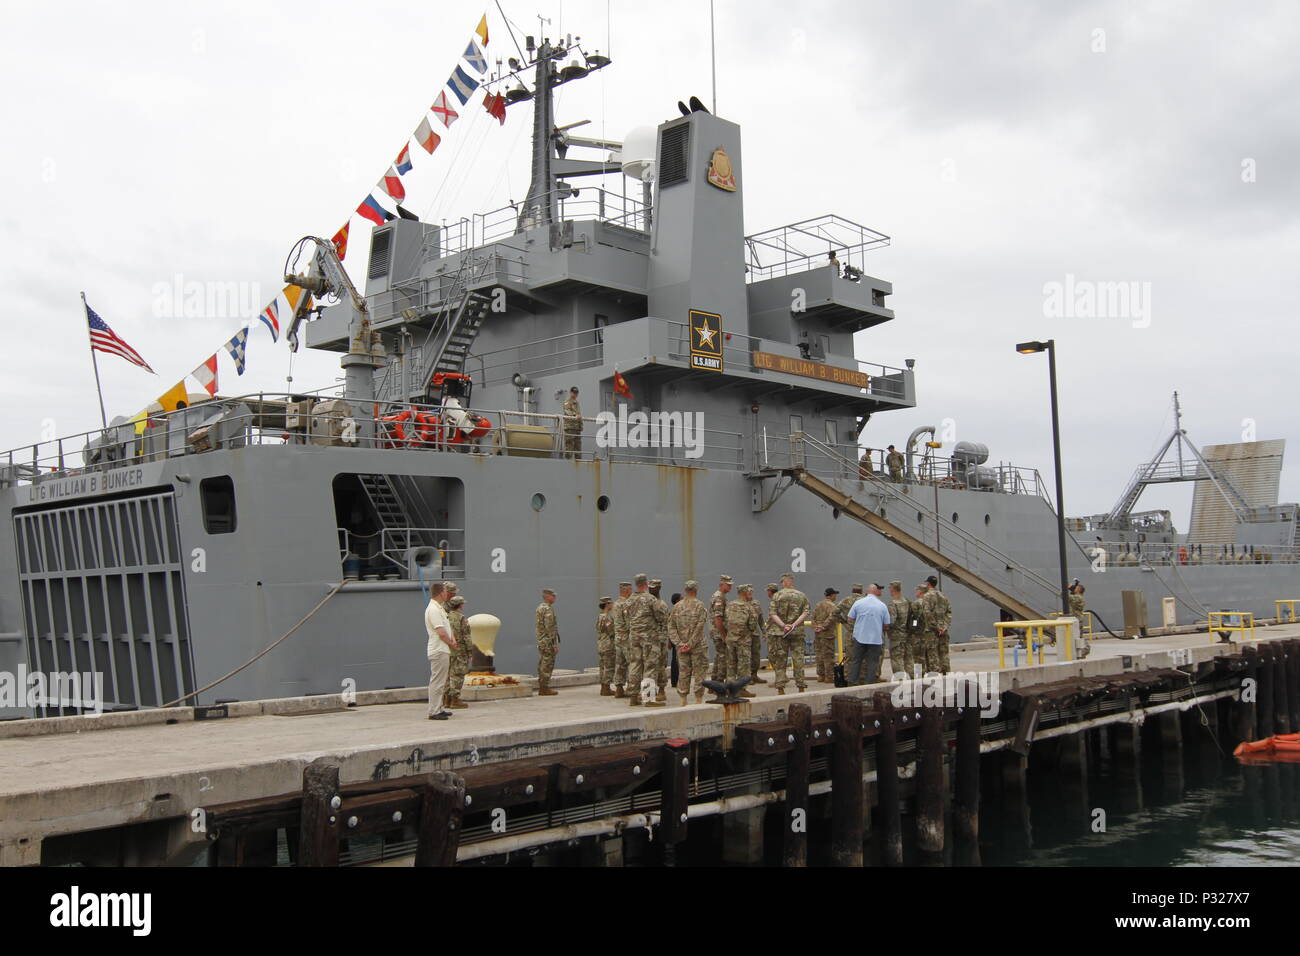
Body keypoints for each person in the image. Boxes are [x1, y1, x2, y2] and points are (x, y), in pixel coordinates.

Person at [625, 573, 667, 707]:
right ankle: (648, 698)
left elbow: (627, 619)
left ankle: (633, 696)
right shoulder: (651, 599)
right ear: (646, 583)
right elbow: (661, 617)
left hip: (634, 637)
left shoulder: (629, 600)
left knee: (635, 664)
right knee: (650, 666)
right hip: (649, 638)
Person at [769, 573, 810, 694]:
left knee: (780, 660)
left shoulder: (777, 596)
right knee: (798, 659)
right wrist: (794, 625)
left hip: (780, 632)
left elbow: (772, 613)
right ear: (792, 582)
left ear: (783, 583)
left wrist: (783, 625)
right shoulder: (801, 595)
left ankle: (780, 688)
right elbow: (806, 612)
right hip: (797, 632)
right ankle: (801, 686)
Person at [670, 581, 710, 704]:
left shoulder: (676, 607)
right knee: (699, 672)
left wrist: (679, 643)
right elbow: (700, 627)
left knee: (683, 672)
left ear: (685, 591)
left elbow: (671, 627)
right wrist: (690, 644)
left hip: (682, 647)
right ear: (696, 590)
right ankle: (698, 700)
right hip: (697, 646)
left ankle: (683, 700)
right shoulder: (700, 606)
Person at [846, 583, 891, 685]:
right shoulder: (882, 605)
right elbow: (887, 624)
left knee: (856, 660)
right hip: (875, 639)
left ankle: (853, 682)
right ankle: (869, 683)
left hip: (859, 637)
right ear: (876, 592)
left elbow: (850, 618)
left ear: (867, 591)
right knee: (873, 662)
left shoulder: (858, 603)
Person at [425, 581, 456, 720]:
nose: (447, 593)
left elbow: (447, 628)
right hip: (439, 649)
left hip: (442, 649)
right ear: (440, 593)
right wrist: (451, 644)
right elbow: (441, 632)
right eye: (445, 591)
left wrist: (452, 638)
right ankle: (434, 711)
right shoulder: (433, 609)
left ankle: (439, 707)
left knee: (441, 681)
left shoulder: (440, 608)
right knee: (437, 681)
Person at [724, 584, 761, 697]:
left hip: (730, 639)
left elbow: (725, 621)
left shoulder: (730, 605)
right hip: (743, 640)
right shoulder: (749, 607)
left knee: (731, 664)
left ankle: (729, 688)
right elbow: (752, 625)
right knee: (744, 665)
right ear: (745, 593)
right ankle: (741, 689)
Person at [920, 574, 953, 674]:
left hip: (932, 631)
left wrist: (937, 627)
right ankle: (947, 673)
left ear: (928, 584)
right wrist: (944, 627)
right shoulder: (943, 596)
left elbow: (927, 613)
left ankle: (935, 675)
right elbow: (949, 612)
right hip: (944, 630)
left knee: (932, 654)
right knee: (944, 653)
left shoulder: (927, 596)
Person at [445, 595, 471, 709]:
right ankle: (455, 700)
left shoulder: (446, 616)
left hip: (447, 648)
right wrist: (470, 651)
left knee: (448, 675)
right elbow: (466, 636)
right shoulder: (461, 618)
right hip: (460, 650)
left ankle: (446, 699)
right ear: (460, 605)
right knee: (458, 675)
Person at [649, 579, 672, 702]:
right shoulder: (647, 603)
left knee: (660, 665)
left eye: (653, 588)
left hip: (660, 640)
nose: (651, 590)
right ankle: (649, 693)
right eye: (650, 587)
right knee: (649, 666)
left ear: (658, 589)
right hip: (649, 640)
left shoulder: (661, 605)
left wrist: (668, 640)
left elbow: (665, 623)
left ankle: (661, 690)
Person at [885, 581, 914, 679]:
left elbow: (891, 621)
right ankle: (913, 678)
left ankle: (900, 680)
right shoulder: (907, 601)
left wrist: (884, 627)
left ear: (892, 589)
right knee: (908, 659)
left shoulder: (893, 603)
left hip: (896, 637)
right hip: (907, 635)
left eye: (890, 588)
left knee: (897, 660)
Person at [535, 588, 561, 696]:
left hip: (541, 640)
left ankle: (542, 686)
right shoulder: (548, 609)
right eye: (553, 596)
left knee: (542, 663)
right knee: (547, 664)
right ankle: (544, 688)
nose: (555, 598)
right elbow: (549, 628)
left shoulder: (540, 608)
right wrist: (554, 644)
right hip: (547, 642)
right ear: (548, 597)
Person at [811, 587, 840, 683]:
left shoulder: (818, 604)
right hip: (827, 634)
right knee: (828, 655)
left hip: (818, 634)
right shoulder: (832, 606)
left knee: (819, 654)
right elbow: (832, 618)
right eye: (835, 594)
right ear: (831, 595)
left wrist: (816, 627)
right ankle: (829, 676)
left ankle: (820, 675)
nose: (835, 596)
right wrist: (823, 626)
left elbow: (812, 617)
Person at [611, 581, 633, 697]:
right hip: (626, 638)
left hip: (618, 637)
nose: (631, 592)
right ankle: (631, 687)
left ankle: (619, 688)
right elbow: (629, 623)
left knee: (619, 664)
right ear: (627, 590)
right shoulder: (626, 604)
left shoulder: (615, 604)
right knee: (631, 663)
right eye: (630, 590)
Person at [709, 574, 733, 681]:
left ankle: (714, 681)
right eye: (728, 585)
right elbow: (718, 618)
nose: (730, 587)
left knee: (719, 656)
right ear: (722, 584)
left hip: (717, 632)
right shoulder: (719, 597)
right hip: (719, 633)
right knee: (723, 657)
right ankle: (719, 682)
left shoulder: (721, 596)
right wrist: (724, 635)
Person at [596, 596, 616, 696]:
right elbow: (611, 632)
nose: (612, 605)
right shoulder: (607, 617)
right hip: (608, 644)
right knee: (608, 666)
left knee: (602, 666)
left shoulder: (600, 616)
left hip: (600, 644)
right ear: (607, 605)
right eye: (611, 603)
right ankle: (606, 688)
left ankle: (603, 687)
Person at [562, 386, 583, 458]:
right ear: (570, 393)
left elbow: (579, 413)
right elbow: (567, 411)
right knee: (569, 445)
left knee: (578, 446)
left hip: (577, 427)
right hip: (570, 427)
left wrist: (580, 425)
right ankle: (568, 463)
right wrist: (575, 415)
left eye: (576, 393)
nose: (575, 394)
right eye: (574, 393)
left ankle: (578, 462)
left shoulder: (576, 402)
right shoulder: (567, 401)